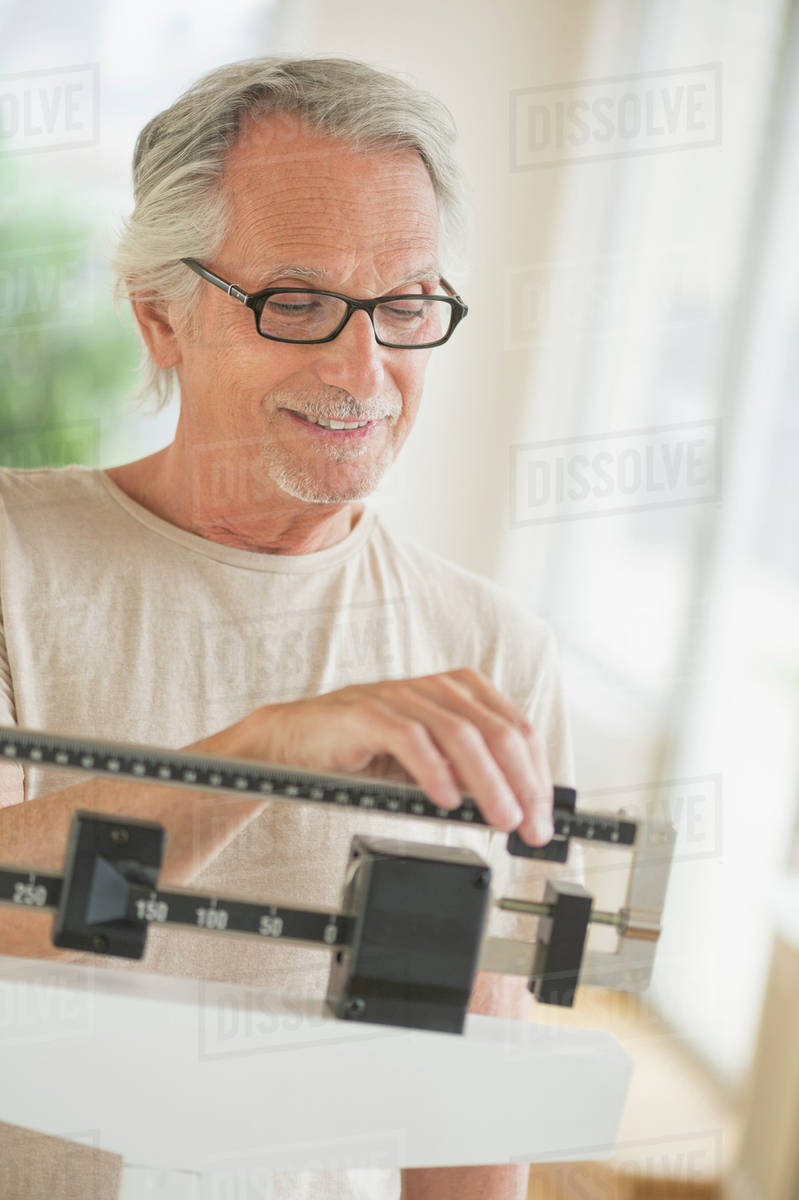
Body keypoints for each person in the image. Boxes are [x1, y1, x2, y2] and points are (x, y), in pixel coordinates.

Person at [0, 56, 579, 1200]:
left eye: (407, 304)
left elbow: (476, 1104)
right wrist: (269, 746)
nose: (363, 367)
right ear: (160, 316)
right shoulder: (15, 561)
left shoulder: (495, 654)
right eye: (298, 302)